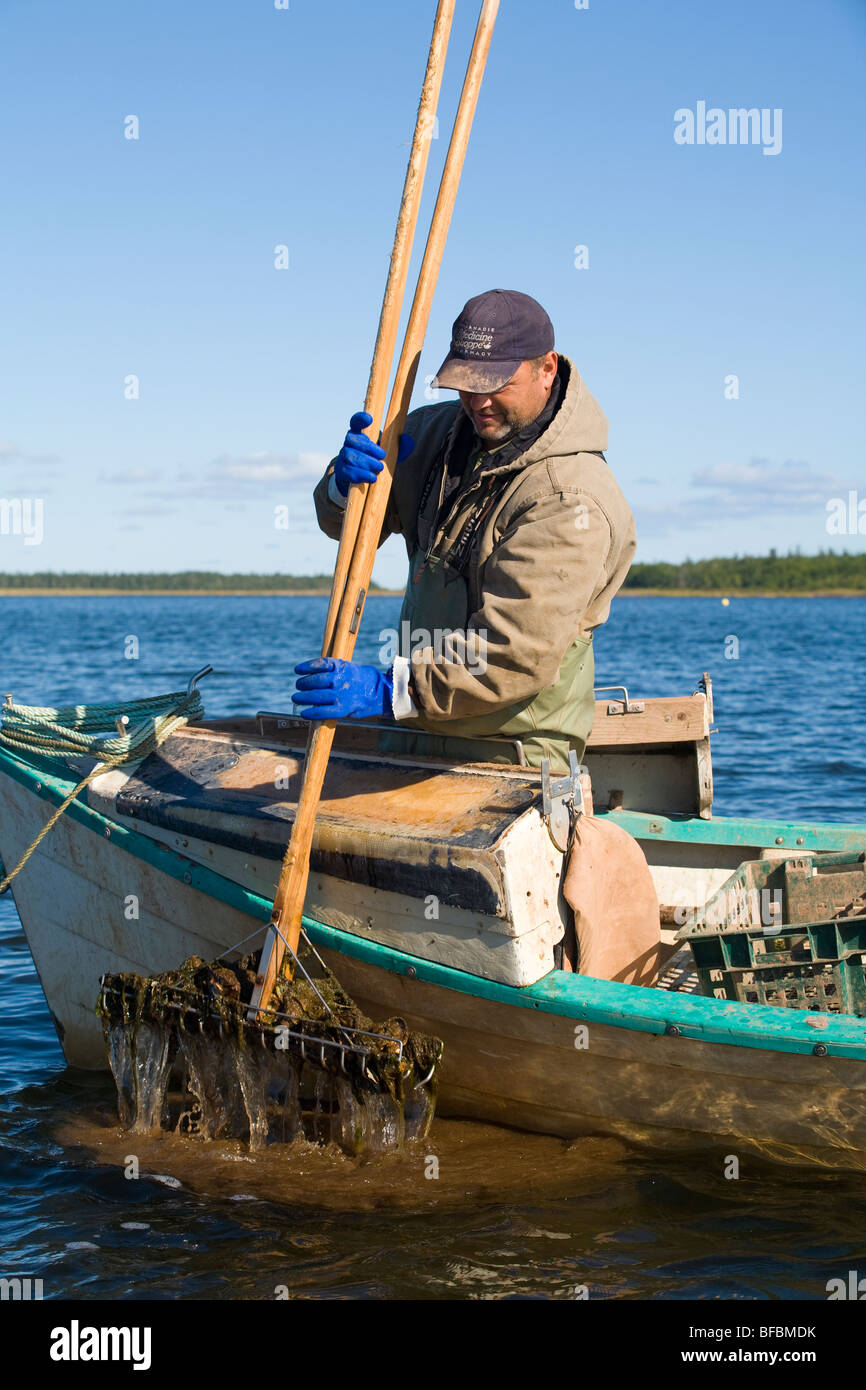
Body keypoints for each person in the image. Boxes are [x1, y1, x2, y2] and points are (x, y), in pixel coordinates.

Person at [291, 288, 636, 773]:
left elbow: (513, 653)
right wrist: (343, 488)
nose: (479, 400)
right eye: (466, 382)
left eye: (497, 382)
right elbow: (345, 531)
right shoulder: (430, 433)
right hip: (414, 732)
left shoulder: (568, 498)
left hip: (513, 755)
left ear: (547, 369)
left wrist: (387, 689)